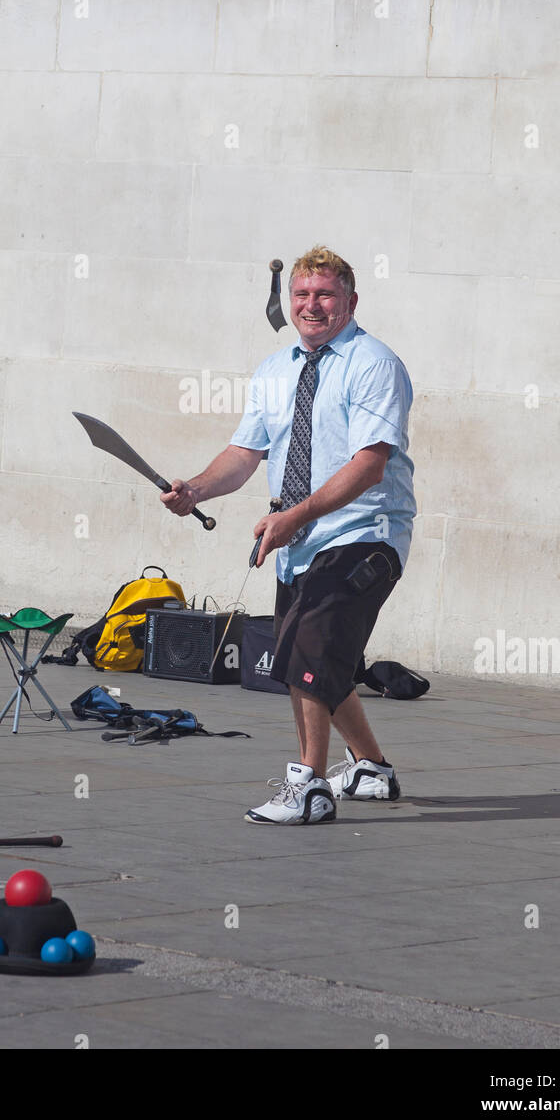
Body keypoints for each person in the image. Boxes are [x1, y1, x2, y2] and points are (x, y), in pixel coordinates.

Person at [162, 246, 416, 825]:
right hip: (297, 541)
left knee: (306, 651)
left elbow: (370, 464)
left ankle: (311, 787)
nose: (311, 305)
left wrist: (294, 515)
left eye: (325, 294)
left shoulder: (374, 365)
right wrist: (198, 490)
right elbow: (246, 451)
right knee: (316, 660)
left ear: (351, 301)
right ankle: (372, 767)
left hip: (365, 534)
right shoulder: (275, 371)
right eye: (302, 294)